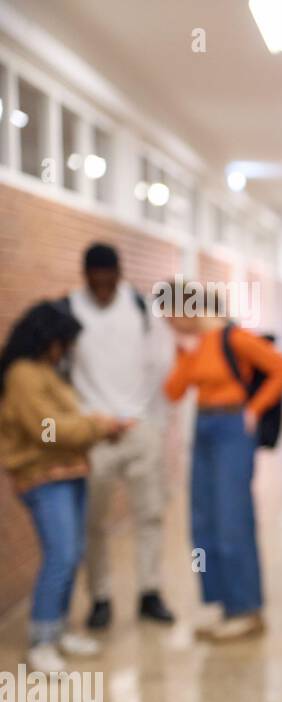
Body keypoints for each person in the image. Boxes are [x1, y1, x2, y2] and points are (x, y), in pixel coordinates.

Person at [161, 281, 282, 641]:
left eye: (170, 316)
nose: (168, 323)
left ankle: (246, 607)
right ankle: (218, 601)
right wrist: (183, 353)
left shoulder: (234, 338)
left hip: (232, 429)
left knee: (232, 519)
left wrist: (254, 409)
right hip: (203, 427)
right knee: (202, 520)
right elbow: (173, 392)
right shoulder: (192, 346)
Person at [0, 301, 133, 670]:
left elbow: (65, 421)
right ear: (48, 338)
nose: (67, 350)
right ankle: (41, 641)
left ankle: (58, 630)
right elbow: (47, 430)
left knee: (71, 552)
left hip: (69, 472)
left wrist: (100, 427)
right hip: (44, 479)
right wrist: (98, 427)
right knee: (59, 555)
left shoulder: (47, 371)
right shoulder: (23, 375)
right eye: (64, 342)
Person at [65, 242, 177, 631]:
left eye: (106, 277)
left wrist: (153, 423)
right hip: (95, 432)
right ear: (84, 275)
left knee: (149, 515)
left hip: (139, 427)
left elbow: (161, 366)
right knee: (94, 522)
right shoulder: (70, 311)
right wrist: (89, 421)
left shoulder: (141, 310)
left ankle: (149, 591)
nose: (100, 285)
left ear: (118, 273)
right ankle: (100, 598)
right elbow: (63, 372)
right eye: (93, 278)